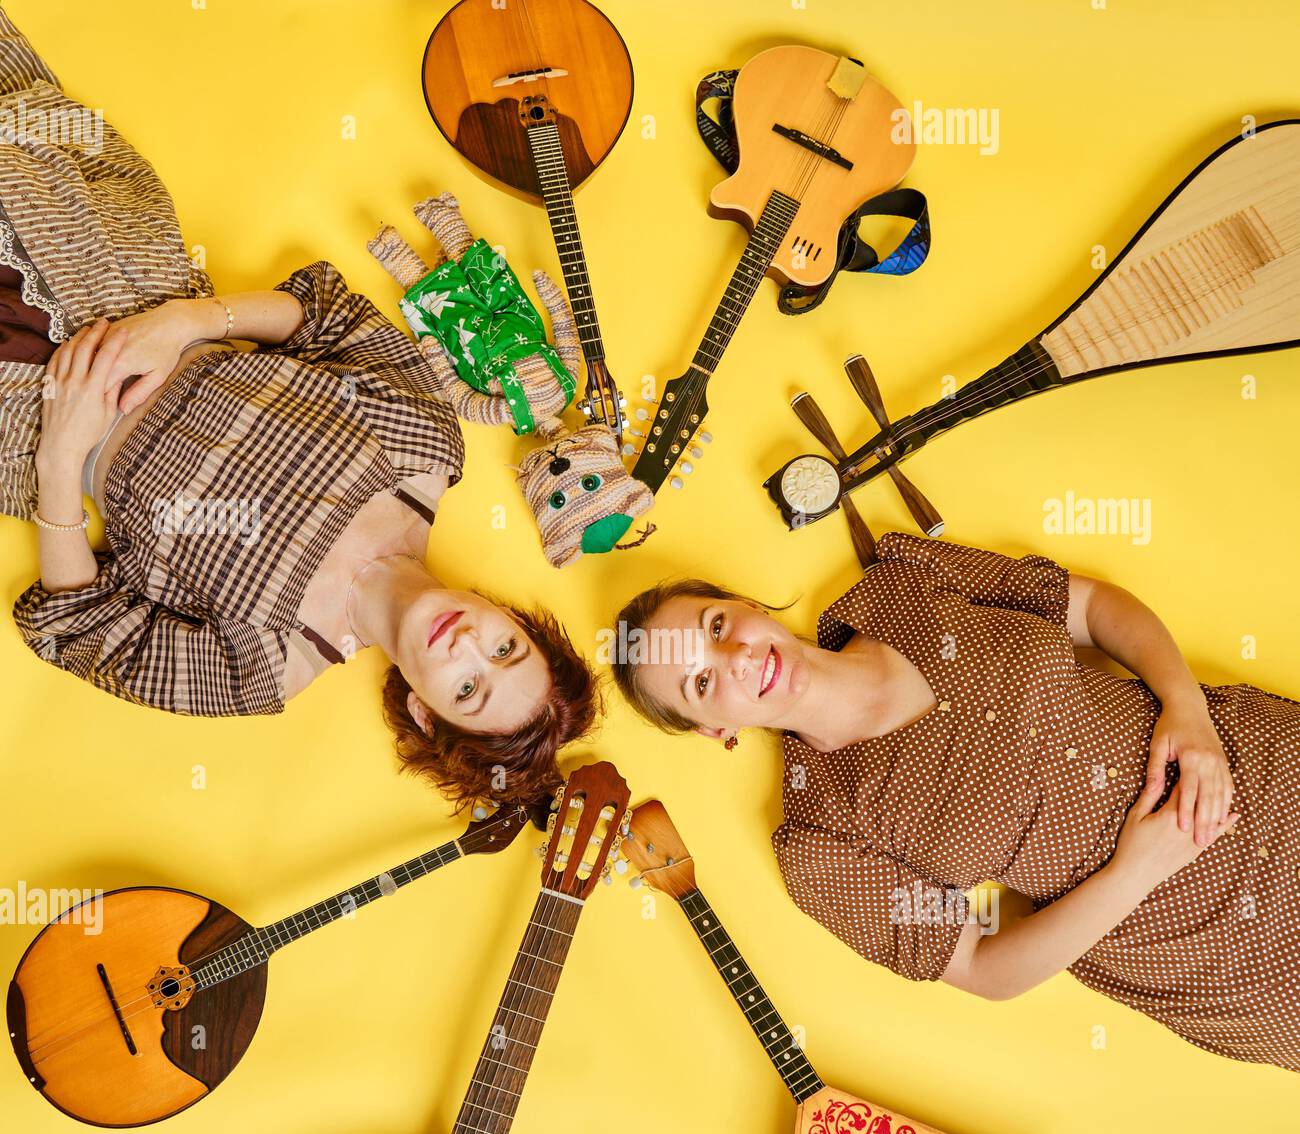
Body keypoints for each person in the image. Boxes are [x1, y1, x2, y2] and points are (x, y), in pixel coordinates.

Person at [0, 7, 597, 809]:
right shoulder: (427, 450)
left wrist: (60, 456)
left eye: (468, 689)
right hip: (121, 272)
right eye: (505, 649)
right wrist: (183, 323)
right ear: (513, 619)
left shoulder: (260, 671)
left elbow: (73, 627)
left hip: (25, 419)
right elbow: (327, 312)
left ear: (425, 713)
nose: (468, 647)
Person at [610, 530, 1300, 1073]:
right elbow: (984, 967)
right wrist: (1136, 871)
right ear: (715, 730)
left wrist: (1187, 708)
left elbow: (1092, 608)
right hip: (1224, 950)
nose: (735, 658)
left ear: (747, 607)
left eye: (716, 626)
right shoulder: (820, 844)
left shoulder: (902, 581)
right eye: (703, 684)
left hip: (1263, 765)